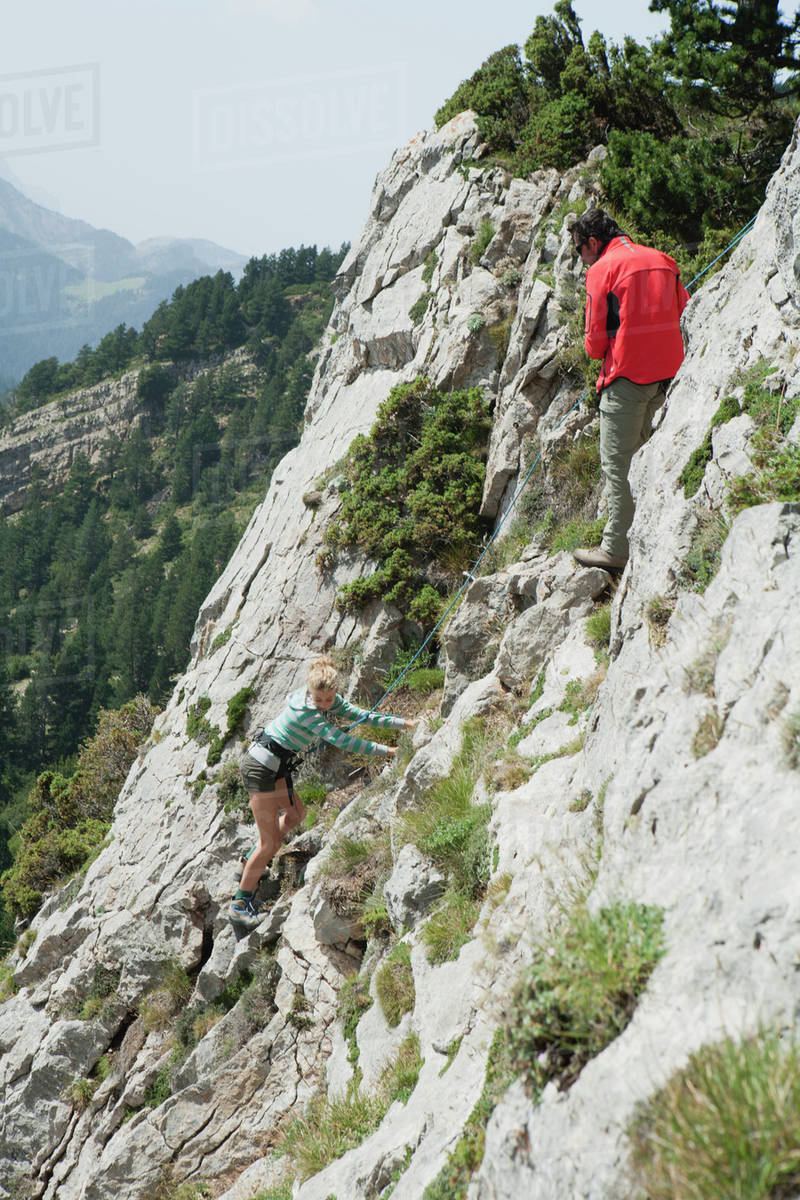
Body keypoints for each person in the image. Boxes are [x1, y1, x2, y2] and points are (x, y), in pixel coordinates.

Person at [230, 653, 416, 928]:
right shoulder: (307, 711)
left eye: (329, 700)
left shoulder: (325, 699)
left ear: (334, 692)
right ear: (310, 692)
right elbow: (342, 740)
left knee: (296, 815)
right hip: (261, 768)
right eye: (319, 700)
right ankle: (240, 905)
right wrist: (387, 751)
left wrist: (404, 723)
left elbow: (360, 715)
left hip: (275, 763)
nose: (324, 705)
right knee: (270, 843)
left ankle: (249, 861)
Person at [568, 209, 689, 571]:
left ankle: (616, 549)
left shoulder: (601, 271)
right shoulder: (663, 260)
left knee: (619, 464)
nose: (580, 258)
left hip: (626, 380)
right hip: (670, 378)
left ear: (593, 243)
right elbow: (684, 310)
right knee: (653, 460)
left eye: (579, 250)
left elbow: (593, 344)